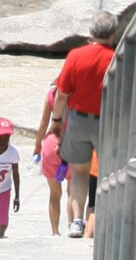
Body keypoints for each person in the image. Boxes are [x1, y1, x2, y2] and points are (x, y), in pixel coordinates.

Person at [49, 12, 119, 239]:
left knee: (79, 170)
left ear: (91, 32)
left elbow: (62, 94)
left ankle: (77, 221)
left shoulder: (76, 55)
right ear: (114, 33)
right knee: (109, 171)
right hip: (109, 121)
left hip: (79, 119)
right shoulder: (119, 58)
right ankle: (102, 218)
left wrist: (57, 120)